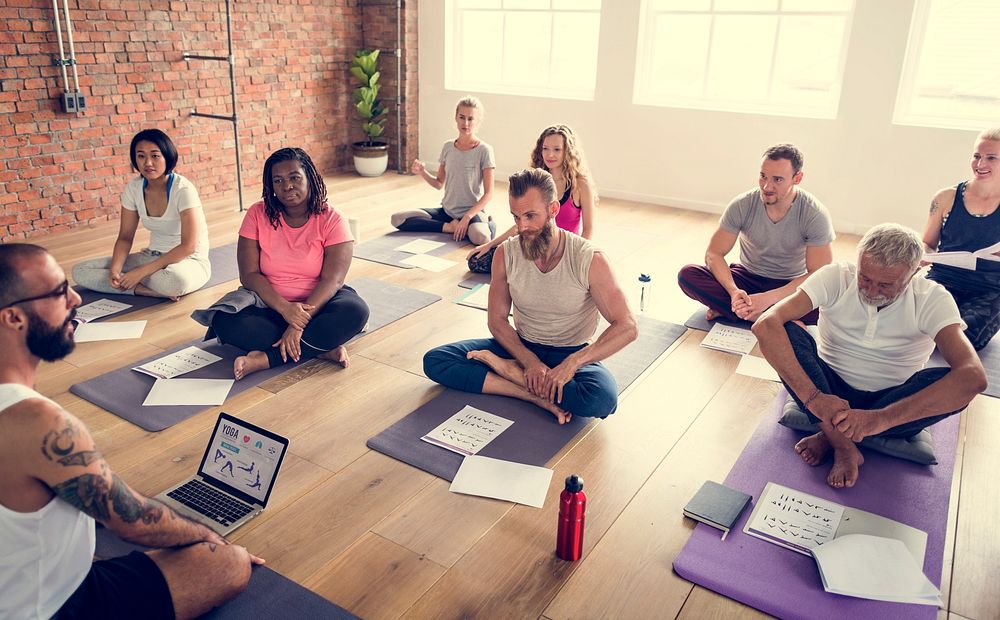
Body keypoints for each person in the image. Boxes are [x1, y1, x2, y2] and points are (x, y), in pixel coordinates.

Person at [0, 244, 260, 619]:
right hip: (46, 607)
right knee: (229, 563)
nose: (75, 299)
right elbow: (134, 521)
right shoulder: (40, 423)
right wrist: (208, 536)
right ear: (12, 317)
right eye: (59, 292)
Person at [753, 224, 986, 489]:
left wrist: (878, 420)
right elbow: (765, 324)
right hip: (827, 387)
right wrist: (815, 399)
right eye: (864, 278)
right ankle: (844, 446)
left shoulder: (932, 298)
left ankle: (829, 435)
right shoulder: (836, 276)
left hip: (891, 401)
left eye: (885, 284)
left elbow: (974, 376)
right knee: (782, 331)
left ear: (913, 273)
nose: (872, 291)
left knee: (955, 381)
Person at [423, 168, 638, 424]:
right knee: (437, 361)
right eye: (516, 217)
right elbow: (497, 321)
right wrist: (528, 362)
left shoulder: (590, 258)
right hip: (520, 347)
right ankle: (527, 391)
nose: (522, 226)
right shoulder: (505, 253)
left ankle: (513, 376)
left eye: (530, 216)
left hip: (570, 351)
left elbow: (627, 326)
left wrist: (572, 364)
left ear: (553, 209)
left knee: (600, 400)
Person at [201, 147, 370, 380]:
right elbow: (249, 275)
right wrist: (285, 309)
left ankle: (265, 359)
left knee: (355, 311)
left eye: (294, 177)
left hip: (319, 304)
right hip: (268, 304)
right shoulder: (256, 214)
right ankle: (320, 348)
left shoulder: (332, 219)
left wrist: (298, 323)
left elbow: (333, 280)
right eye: (278, 180)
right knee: (224, 319)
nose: (287, 186)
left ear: (310, 177)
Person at [677, 144, 834, 323]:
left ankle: (734, 311)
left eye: (777, 179)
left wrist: (768, 298)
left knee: (828, 304)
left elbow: (818, 272)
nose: (767, 186)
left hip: (788, 285)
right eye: (763, 176)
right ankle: (770, 318)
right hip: (746, 279)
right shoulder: (742, 204)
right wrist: (734, 292)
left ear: (797, 178)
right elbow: (714, 253)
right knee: (687, 275)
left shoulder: (814, 213)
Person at [73, 129, 211, 300]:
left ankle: (142, 283)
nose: (148, 163)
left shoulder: (183, 189)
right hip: (151, 257)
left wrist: (140, 273)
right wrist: (115, 269)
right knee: (81, 271)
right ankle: (144, 290)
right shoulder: (133, 188)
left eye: (155, 156)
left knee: (174, 281)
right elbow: (125, 237)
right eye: (141, 156)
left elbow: (188, 247)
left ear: (167, 156)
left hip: (187, 262)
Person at [466, 124, 597, 273]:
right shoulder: (536, 180)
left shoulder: (581, 184)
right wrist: (490, 244)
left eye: (557, 149)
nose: (550, 154)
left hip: (562, 250)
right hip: (532, 244)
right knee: (476, 261)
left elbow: (588, 229)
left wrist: (575, 257)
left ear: (567, 151)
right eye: (545, 148)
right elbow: (523, 223)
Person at [923, 127, 1000, 350]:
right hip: (943, 279)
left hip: (988, 289)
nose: (980, 164)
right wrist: (922, 255)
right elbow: (927, 243)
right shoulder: (946, 197)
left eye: (991, 158)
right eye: (976, 156)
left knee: (966, 338)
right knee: (914, 321)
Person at [390, 96, 496, 244]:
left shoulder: (484, 150)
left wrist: (467, 217)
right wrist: (422, 172)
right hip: (446, 212)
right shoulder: (448, 147)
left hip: (472, 214)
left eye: (470, 119)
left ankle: (489, 222)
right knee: (397, 219)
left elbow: (489, 194)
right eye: (462, 117)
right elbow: (439, 183)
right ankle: (448, 228)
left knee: (481, 237)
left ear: (477, 121)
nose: (465, 123)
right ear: (456, 118)